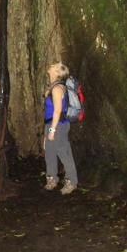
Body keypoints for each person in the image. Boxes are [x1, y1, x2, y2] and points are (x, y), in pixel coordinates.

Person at [43, 62, 78, 194]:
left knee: (64, 153)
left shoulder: (57, 89)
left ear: (57, 73)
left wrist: (52, 130)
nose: (50, 66)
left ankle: (72, 181)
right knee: (50, 152)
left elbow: (57, 111)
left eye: (54, 66)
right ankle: (52, 179)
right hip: (51, 124)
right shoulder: (53, 87)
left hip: (59, 125)